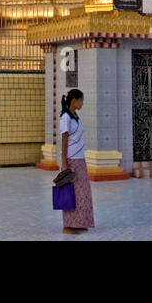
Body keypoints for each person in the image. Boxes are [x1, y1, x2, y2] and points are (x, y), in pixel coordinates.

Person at [58, 89, 95, 233]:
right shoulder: (65, 118)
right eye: (81, 100)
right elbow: (64, 140)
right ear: (74, 101)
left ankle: (79, 222)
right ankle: (68, 226)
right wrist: (64, 163)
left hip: (80, 161)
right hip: (71, 161)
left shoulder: (75, 117)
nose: (82, 103)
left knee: (82, 193)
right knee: (71, 193)